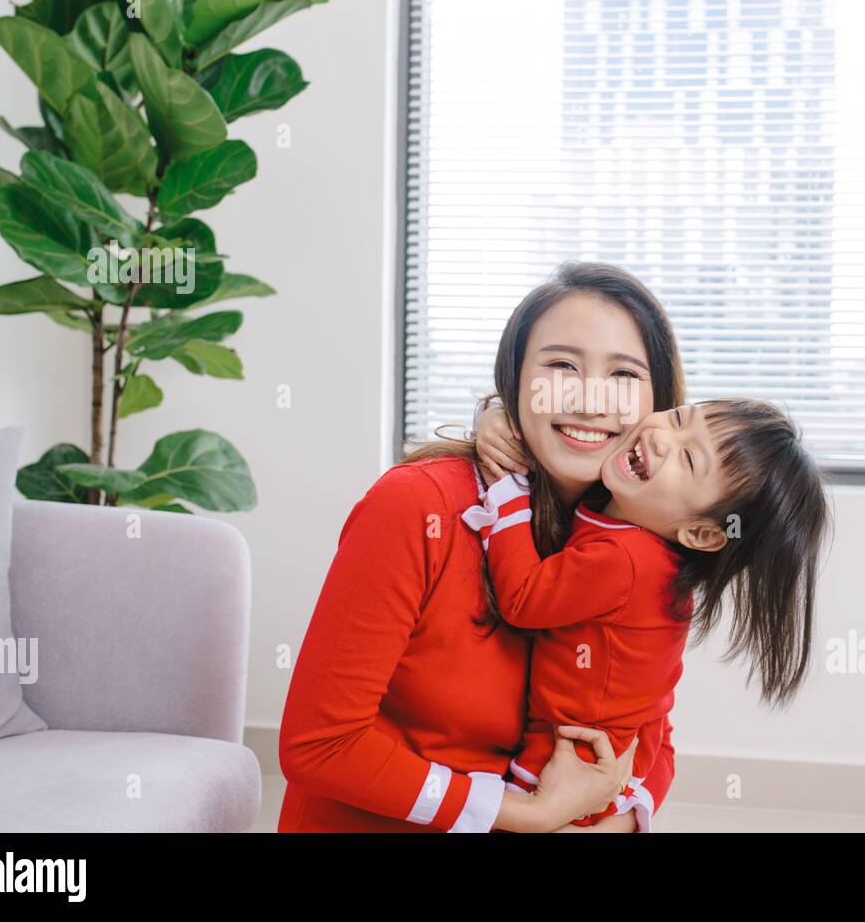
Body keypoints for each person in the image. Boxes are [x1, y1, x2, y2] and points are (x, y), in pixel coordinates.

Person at [277, 261, 686, 831]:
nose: (593, 401)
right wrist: (528, 815)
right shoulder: (417, 506)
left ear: (658, 406)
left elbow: (651, 731)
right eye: (561, 366)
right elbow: (320, 744)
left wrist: (617, 823)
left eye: (624, 375)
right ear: (514, 379)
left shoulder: (638, 544)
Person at [464, 399, 829, 829]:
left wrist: (507, 489)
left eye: (688, 459)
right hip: (609, 767)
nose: (660, 436)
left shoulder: (627, 561)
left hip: (561, 761)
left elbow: (523, 598)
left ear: (700, 532)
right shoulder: (642, 538)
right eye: (678, 418)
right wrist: (494, 414)